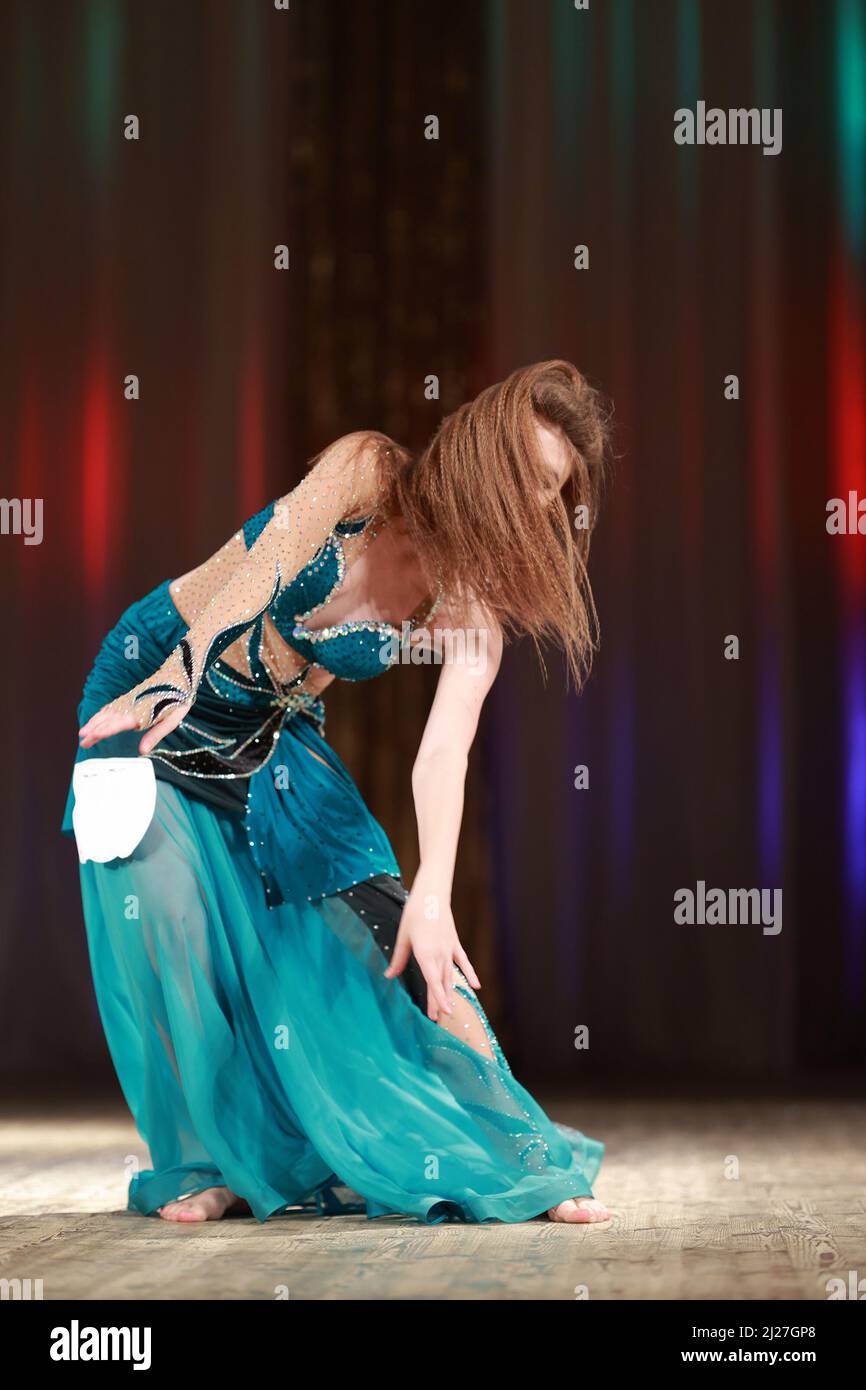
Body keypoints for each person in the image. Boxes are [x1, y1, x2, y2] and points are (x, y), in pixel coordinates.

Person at [67, 358, 611, 1226]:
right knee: (166, 918)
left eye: (554, 492)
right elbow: (265, 560)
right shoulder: (369, 473)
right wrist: (179, 668)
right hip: (157, 683)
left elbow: (443, 755)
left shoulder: (473, 609)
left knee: (408, 939)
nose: (537, 504)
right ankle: (205, 1163)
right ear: (480, 448)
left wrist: (434, 891)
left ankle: (529, 1158)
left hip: (271, 735)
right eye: (528, 471)